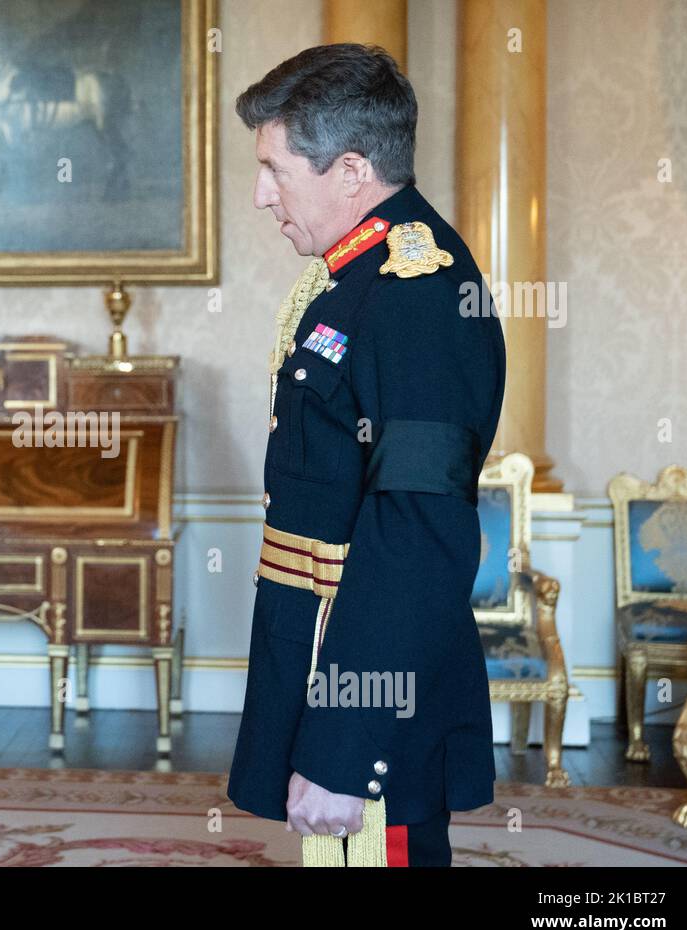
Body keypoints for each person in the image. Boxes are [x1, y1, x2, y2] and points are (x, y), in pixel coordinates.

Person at [225, 44, 505, 867]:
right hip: (327, 658)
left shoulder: (419, 292)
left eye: (275, 168)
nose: (260, 195)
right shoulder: (357, 275)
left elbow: (416, 531)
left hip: (373, 684)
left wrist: (347, 747)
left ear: (351, 170)